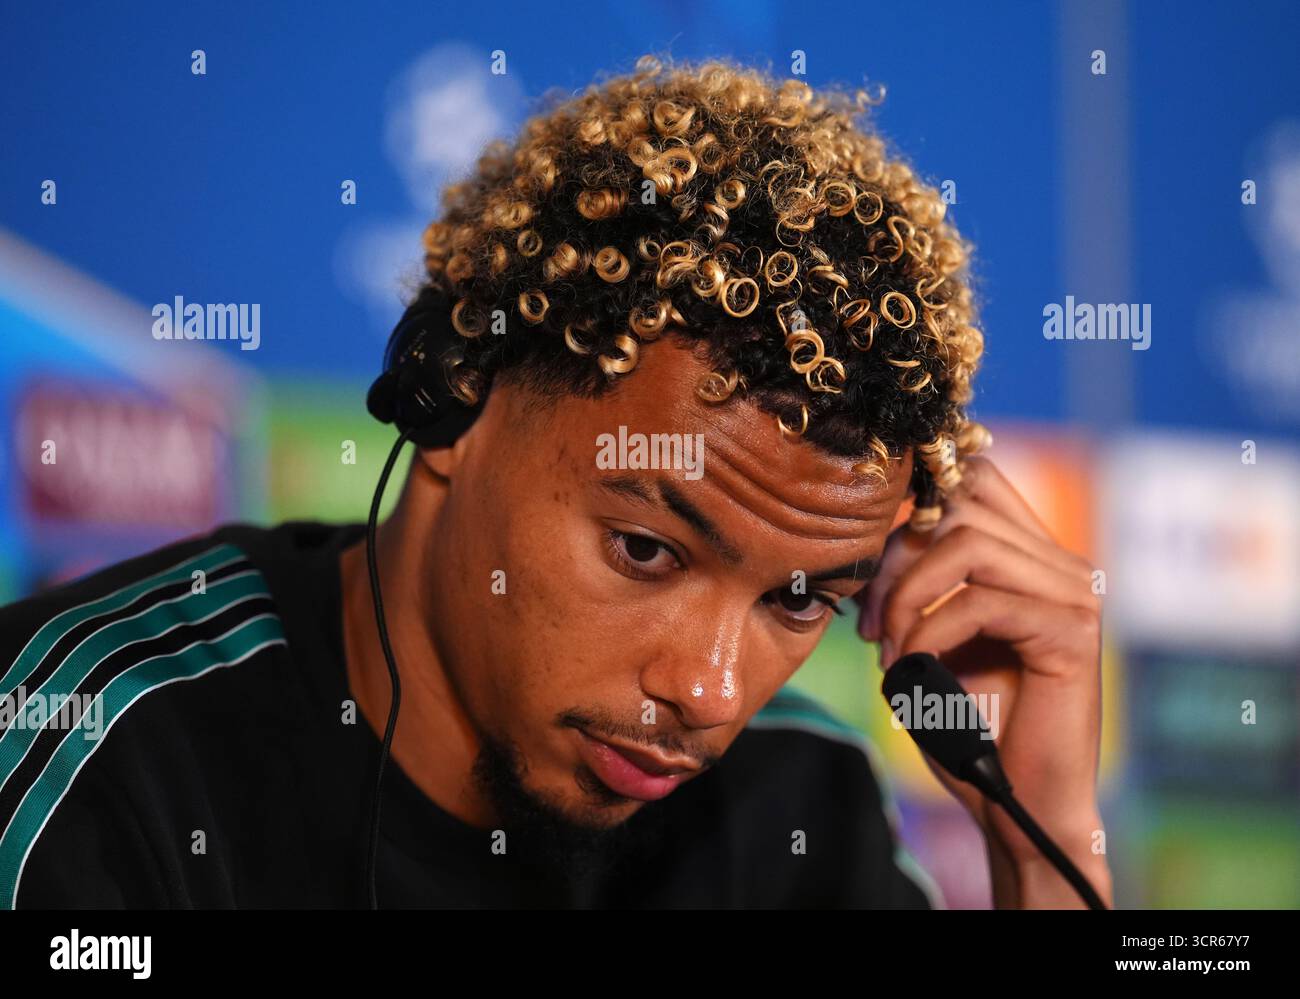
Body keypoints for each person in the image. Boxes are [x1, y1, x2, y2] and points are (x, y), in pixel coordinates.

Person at [0, 55, 1109, 908]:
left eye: (795, 599)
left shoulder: (794, 814)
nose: (710, 695)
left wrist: (1041, 835)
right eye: (646, 550)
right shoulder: (91, 754)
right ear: (454, 400)